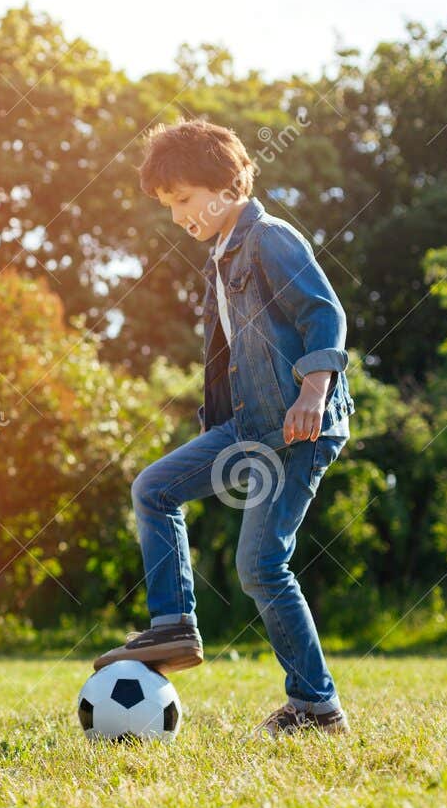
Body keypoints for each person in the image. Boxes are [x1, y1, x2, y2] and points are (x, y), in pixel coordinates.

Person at [95, 120, 356, 736]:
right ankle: (174, 624)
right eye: (169, 206)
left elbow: (325, 315)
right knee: (153, 489)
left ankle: (316, 707)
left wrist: (313, 394)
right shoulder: (220, 254)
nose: (179, 216)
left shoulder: (269, 239)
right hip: (249, 424)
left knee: (262, 566)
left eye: (183, 199)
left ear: (227, 183)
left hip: (296, 426)